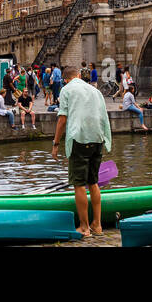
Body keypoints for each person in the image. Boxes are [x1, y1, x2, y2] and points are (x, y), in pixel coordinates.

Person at [52, 67, 112, 238]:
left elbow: (62, 119)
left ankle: (84, 227)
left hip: (80, 139)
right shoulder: (94, 90)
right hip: (98, 138)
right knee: (93, 182)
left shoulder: (66, 90)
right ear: (78, 75)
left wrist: (56, 143)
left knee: (79, 184)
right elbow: (103, 116)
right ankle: (98, 225)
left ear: (65, 79)